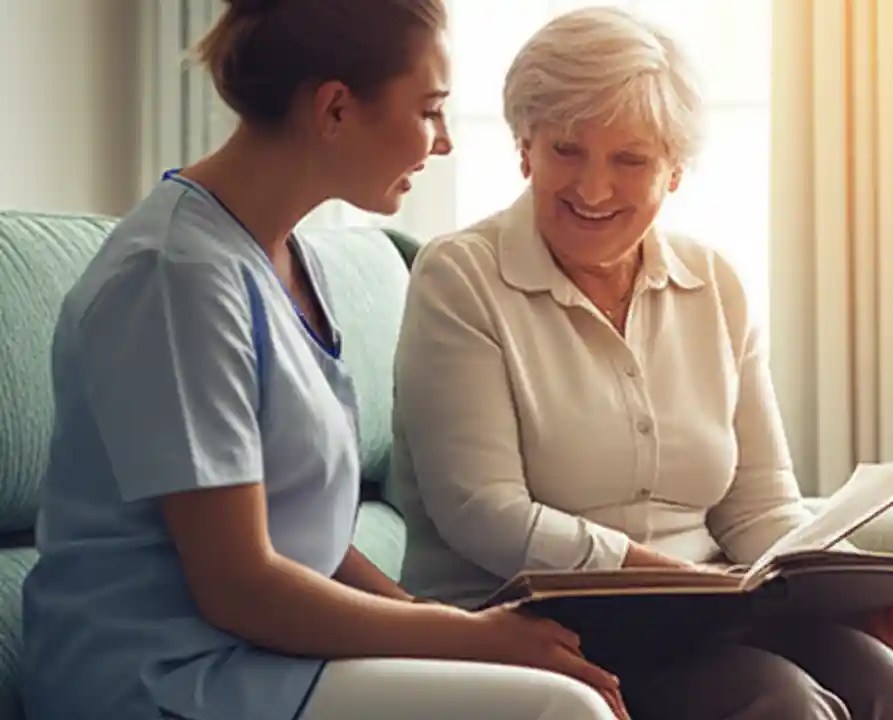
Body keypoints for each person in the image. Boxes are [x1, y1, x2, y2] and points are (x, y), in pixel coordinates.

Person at [20, 1, 628, 718]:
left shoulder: (285, 257)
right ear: (336, 109)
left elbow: (307, 541)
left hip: (266, 656)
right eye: (430, 110)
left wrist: (461, 628)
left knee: (558, 688)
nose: (443, 144)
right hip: (166, 677)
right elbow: (239, 585)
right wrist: (470, 639)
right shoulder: (174, 278)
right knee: (560, 710)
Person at [389, 6, 893, 720]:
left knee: (887, 684)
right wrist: (671, 579)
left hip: (706, 617)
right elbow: (482, 512)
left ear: (675, 171)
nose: (592, 188)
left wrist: (848, 579)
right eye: (566, 150)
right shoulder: (459, 277)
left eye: (631, 159)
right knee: (781, 701)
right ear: (525, 148)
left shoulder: (716, 285)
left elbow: (760, 504)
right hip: (538, 628)